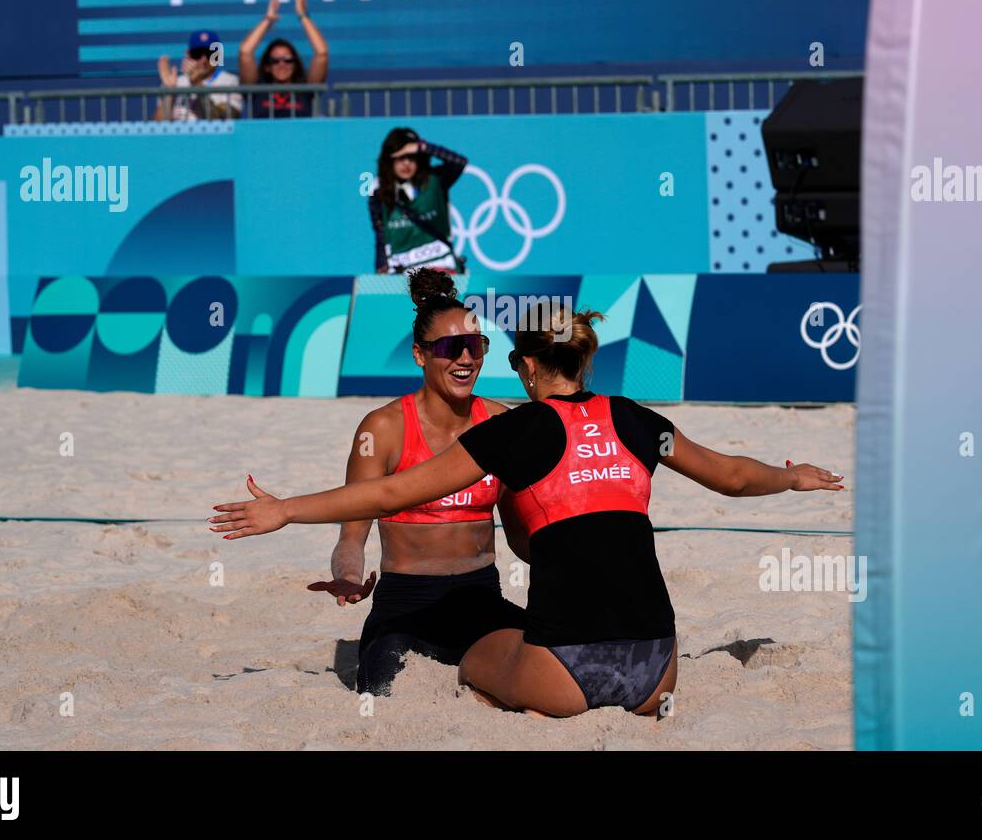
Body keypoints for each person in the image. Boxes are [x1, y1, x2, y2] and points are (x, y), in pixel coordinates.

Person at [209, 306, 844, 716]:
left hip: (562, 675)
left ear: (529, 366)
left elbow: (389, 494)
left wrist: (287, 510)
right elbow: (732, 477)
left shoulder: (514, 430)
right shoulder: (637, 418)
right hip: (660, 669)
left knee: (464, 664)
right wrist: (790, 478)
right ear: (586, 360)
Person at [306, 268, 524, 694]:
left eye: (475, 345)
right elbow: (351, 537)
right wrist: (349, 577)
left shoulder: (501, 423)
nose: (465, 359)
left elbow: (525, 531)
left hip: (481, 598)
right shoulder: (383, 428)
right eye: (450, 347)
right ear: (420, 355)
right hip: (405, 606)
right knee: (382, 693)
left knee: (560, 665)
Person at [369, 128, 468, 274]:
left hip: (441, 266)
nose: (406, 163)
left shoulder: (435, 180)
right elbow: (381, 235)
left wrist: (423, 146)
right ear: (389, 160)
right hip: (402, 273)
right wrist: (381, 268)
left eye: (411, 157)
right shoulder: (379, 193)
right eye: (400, 158)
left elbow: (459, 163)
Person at [238, 0, 329, 119]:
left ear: (295, 64)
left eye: (288, 60)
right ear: (267, 66)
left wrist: (303, 15)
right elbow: (245, 53)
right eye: (275, 61)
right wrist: (268, 20)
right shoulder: (257, 90)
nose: (282, 64)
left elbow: (322, 53)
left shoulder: (304, 90)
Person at [153, 30, 243, 121]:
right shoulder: (175, 82)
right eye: (197, 54)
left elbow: (222, 120)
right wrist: (170, 92)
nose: (203, 60)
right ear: (188, 55)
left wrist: (197, 85)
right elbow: (158, 127)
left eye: (210, 54)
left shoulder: (230, 81)